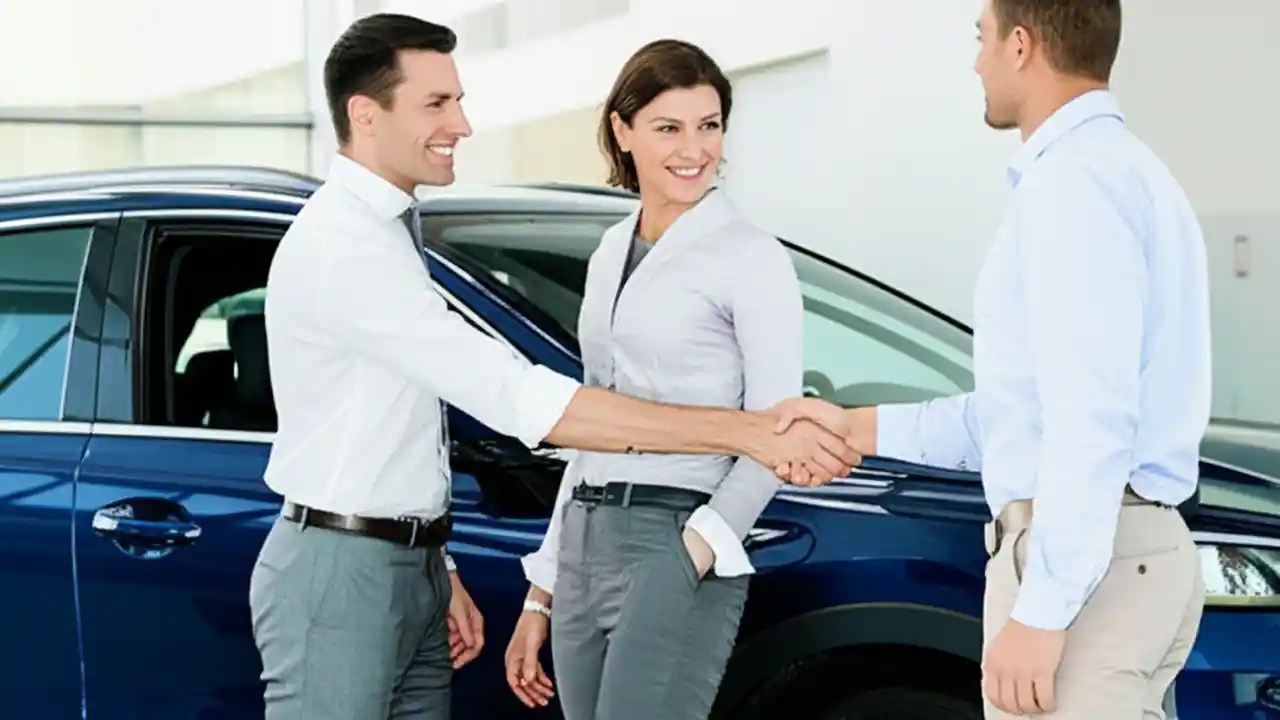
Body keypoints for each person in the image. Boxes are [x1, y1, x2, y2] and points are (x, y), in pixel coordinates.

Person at [248, 14, 856, 720]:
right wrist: (747, 432)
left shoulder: (391, 231)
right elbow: (520, 396)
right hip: (344, 568)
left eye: (709, 125)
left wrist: (436, 562)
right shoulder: (345, 247)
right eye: (437, 103)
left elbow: (402, 420)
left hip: (416, 565)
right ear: (365, 114)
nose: (463, 124)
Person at [775, 0, 1210, 717]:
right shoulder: (1126, 172)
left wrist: (1042, 609)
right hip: (1121, 557)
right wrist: (855, 428)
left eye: (981, 38)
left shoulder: (1072, 184)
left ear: (1020, 45)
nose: (976, 61)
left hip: (1086, 571)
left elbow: (1090, 419)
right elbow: (1020, 414)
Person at [500, 39, 801, 720]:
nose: (694, 149)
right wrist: (541, 592)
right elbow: (591, 422)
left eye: (709, 125)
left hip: (675, 533)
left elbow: (778, 434)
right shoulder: (611, 250)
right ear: (622, 129)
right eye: (669, 127)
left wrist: (696, 548)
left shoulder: (751, 257)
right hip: (585, 538)